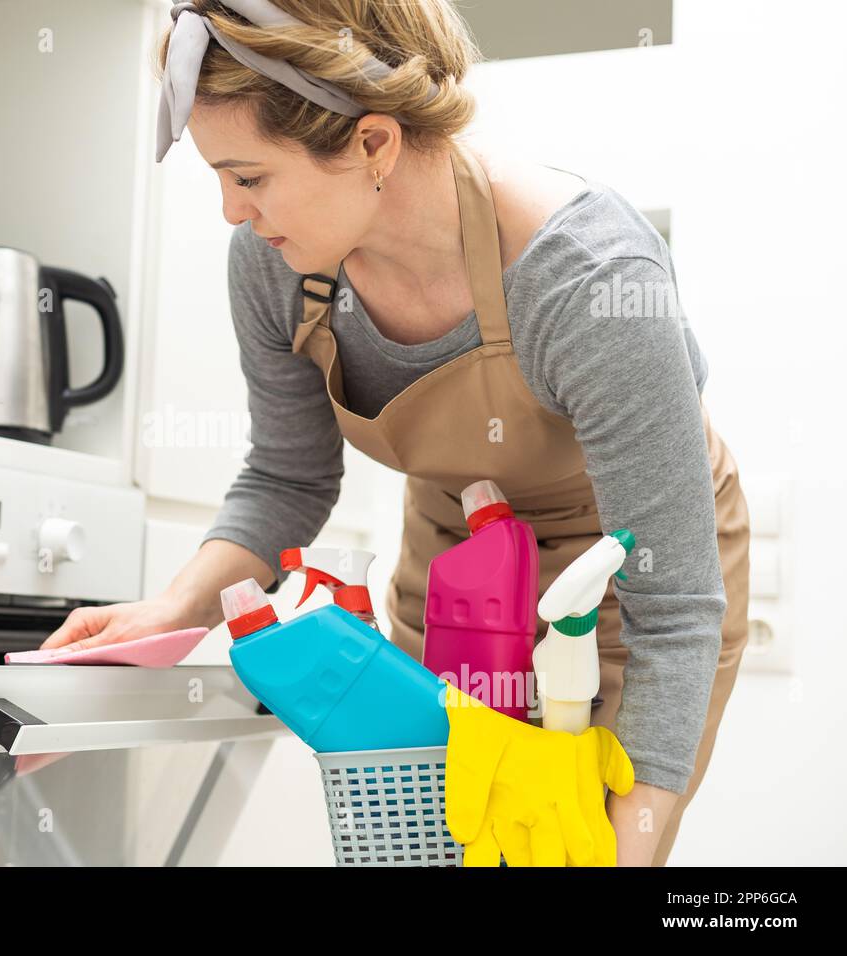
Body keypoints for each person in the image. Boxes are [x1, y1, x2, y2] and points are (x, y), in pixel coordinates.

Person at [41, 0, 749, 866]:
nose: (231, 210)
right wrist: (172, 609)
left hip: (625, 578)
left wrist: (621, 852)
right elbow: (288, 480)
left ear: (374, 144)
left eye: (250, 176)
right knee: (431, 847)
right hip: (456, 563)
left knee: (571, 848)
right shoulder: (275, 268)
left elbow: (674, 613)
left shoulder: (586, 280)